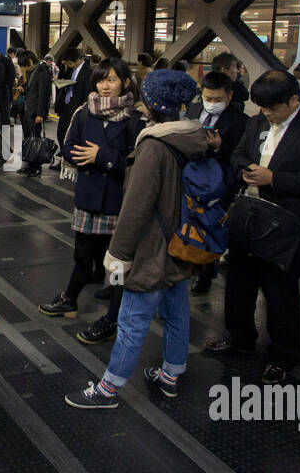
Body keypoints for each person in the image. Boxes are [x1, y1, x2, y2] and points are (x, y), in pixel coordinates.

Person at [65, 71, 214, 408]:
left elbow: (135, 208)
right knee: (176, 311)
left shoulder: (153, 146)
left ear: (151, 102)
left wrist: (117, 256)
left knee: (132, 319)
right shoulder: (194, 138)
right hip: (182, 243)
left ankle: (109, 388)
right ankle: (172, 373)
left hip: (151, 248)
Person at [203, 71, 300, 384]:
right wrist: (246, 169)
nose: (266, 113)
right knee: (238, 283)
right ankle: (240, 338)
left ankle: (283, 355)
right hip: (248, 214)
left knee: (280, 294)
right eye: (262, 107)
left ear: (294, 100)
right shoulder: (256, 123)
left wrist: (274, 179)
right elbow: (237, 153)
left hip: (286, 222)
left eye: (273, 108)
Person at [39, 59, 144, 345]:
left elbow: (139, 165)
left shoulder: (135, 120)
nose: (104, 86)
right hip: (87, 196)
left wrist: (103, 157)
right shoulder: (85, 113)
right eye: (100, 80)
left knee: (119, 266)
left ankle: (113, 317)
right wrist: (82, 157)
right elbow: (69, 147)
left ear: (124, 81)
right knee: (82, 256)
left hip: (118, 201)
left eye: (111, 80)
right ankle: (69, 299)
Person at [186, 71, 248, 295]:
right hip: (191, 177)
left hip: (218, 183)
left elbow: (240, 157)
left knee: (211, 228)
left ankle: (206, 273)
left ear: (229, 97)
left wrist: (220, 146)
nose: (211, 104)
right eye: (207, 98)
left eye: (217, 99)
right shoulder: (192, 111)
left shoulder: (241, 122)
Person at [20, 50, 52, 176]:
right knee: (29, 139)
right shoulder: (31, 71)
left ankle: (37, 166)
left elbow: (43, 95)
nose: (24, 68)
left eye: (25, 65)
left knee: (36, 139)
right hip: (28, 109)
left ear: (31, 61)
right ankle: (29, 163)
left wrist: (40, 114)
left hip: (35, 112)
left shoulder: (42, 71)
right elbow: (31, 90)